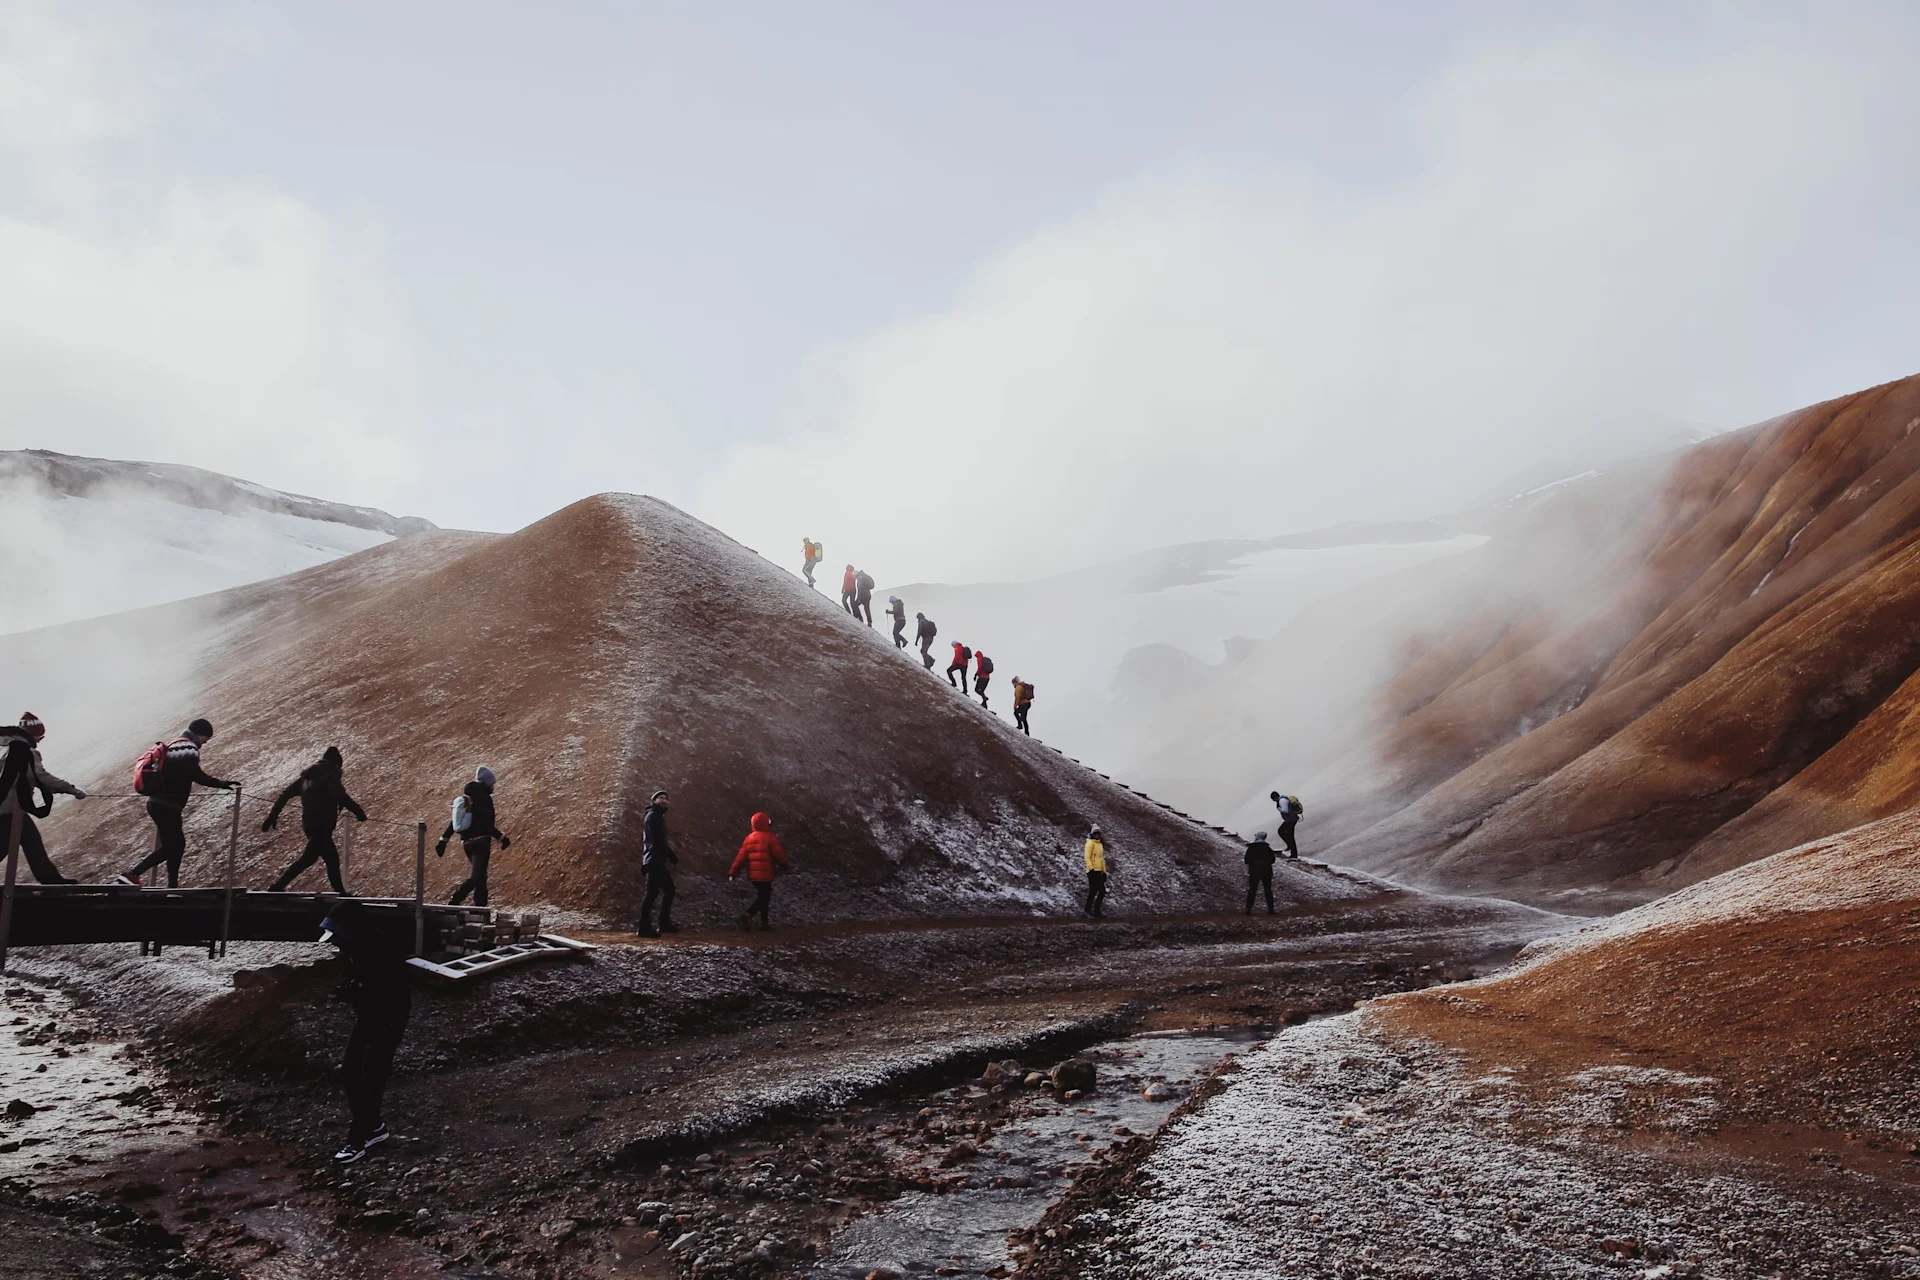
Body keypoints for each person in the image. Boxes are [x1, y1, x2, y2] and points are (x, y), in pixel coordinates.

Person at [322, 900, 412, 1165]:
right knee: (350, 1072)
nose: (335, 942)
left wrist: (357, 992)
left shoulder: (380, 948)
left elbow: (388, 989)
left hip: (389, 1017)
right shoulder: (356, 948)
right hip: (371, 1016)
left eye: (337, 935)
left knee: (371, 1076)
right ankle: (373, 1127)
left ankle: (357, 1140)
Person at [116, 718, 236, 888]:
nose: (206, 741)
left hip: (158, 803)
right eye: (206, 737)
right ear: (201, 734)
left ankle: (172, 884)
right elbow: (196, 774)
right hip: (167, 805)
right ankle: (132, 875)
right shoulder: (188, 748)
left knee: (175, 845)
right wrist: (221, 784)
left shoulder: (176, 744)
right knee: (172, 846)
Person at [264, 746, 367, 894]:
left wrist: (273, 815)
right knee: (310, 859)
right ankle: (277, 887)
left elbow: (285, 794)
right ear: (336, 764)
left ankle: (341, 892)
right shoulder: (330, 775)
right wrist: (359, 812)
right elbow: (341, 796)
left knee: (328, 859)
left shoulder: (306, 777)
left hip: (310, 824)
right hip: (322, 825)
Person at [0, 713, 84, 884]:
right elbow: (40, 777)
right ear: (32, 734)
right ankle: (51, 881)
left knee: (31, 843)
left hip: (10, 809)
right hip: (10, 810)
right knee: (27, 844)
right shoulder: (25, 750)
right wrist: (71, 789)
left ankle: (51, 880)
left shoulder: (4, 746)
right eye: (40, 737)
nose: (39, 741)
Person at [436, 766, 509, 906]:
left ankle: (479, 911)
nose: (493, 786)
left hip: (467, 844)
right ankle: (455, 899)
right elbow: (486, 823)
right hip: (481, 843)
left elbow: (455, 821)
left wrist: (443, 840)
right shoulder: (485, 799)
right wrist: (501, 837)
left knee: (481, 878)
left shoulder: (469, 799)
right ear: (486, 783)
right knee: (476, 877)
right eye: (492, 783)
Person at [728, 811, 790, 930]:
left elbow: (740, 858)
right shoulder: (770, 838)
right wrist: (786, 866)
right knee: (764, 897)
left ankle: (764, 923)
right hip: (766, 874)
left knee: (763, 896)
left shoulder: (749, 839)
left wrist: (733, 872)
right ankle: (749, 914)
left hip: (753, 875)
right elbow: (779, 855)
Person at [637, 789, 678, 937]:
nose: (664, 800)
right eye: (660, 798)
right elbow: (656, 840)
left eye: (666, 798)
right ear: (654, 801)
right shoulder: (653, 816)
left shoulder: (657, 816)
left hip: (657, 860)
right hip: (654, 860)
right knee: (651, 894)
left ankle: (664, 923)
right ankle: (644, 927)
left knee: (669, 889)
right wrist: (670, 854)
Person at [1244, 831, 1277, 915]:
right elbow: (1272, 860)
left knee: (1252, 889)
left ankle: (1248, 908)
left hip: (1254, 870)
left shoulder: (1252, 847)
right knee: (1268, 889)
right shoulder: (1267, 848)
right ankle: (1271, 908)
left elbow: (1246, 860)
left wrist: (1253, 864)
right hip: (1267, 870)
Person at [1082, 826, 1109, 920]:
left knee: (1102, 891)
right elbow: (1087, 857)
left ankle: (1096, 911)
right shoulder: (1090, 843)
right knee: (1093, 892)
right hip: (1092, 872)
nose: (1097, 835)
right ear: (1092, 834)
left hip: (1099, 872)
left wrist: (1104, 871)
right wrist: (1091, 869)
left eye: (1098, 833)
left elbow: (1101, 860)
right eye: (1095, 833)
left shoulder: (1099, 844)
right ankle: (1087, 911)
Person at [1269, 791, 1303, 859]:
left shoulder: (1282, 801)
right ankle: (1291, 848)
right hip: (1291, 819)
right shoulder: (1283, 799)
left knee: (1284, 833)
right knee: (1286, 833)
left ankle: (1293, 853)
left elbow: (1285, 810)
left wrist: (1279, 809)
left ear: (1275, 798)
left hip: (1291, 819)